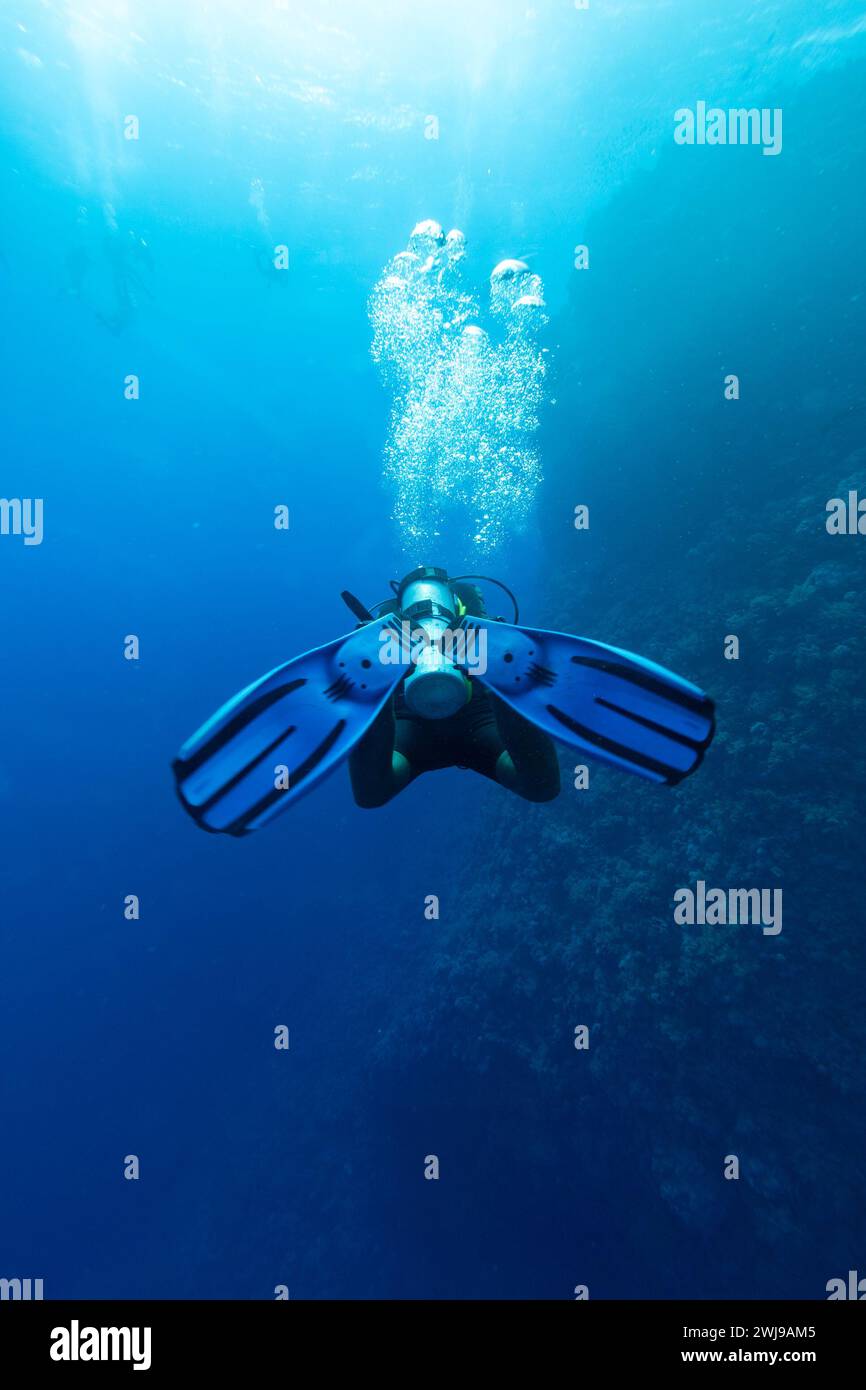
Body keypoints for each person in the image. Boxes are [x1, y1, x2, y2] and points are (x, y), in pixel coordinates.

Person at [349, 584, 560, 806]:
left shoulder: (404, 647)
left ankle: (371, 684)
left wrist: (370, 679)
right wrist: (503, 666)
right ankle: (504, 674)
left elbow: (370, 792)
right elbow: (542, 785)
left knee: (371, 793)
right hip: (476, 720)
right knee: (541, 786)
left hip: (416, 722)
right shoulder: (467, 639)